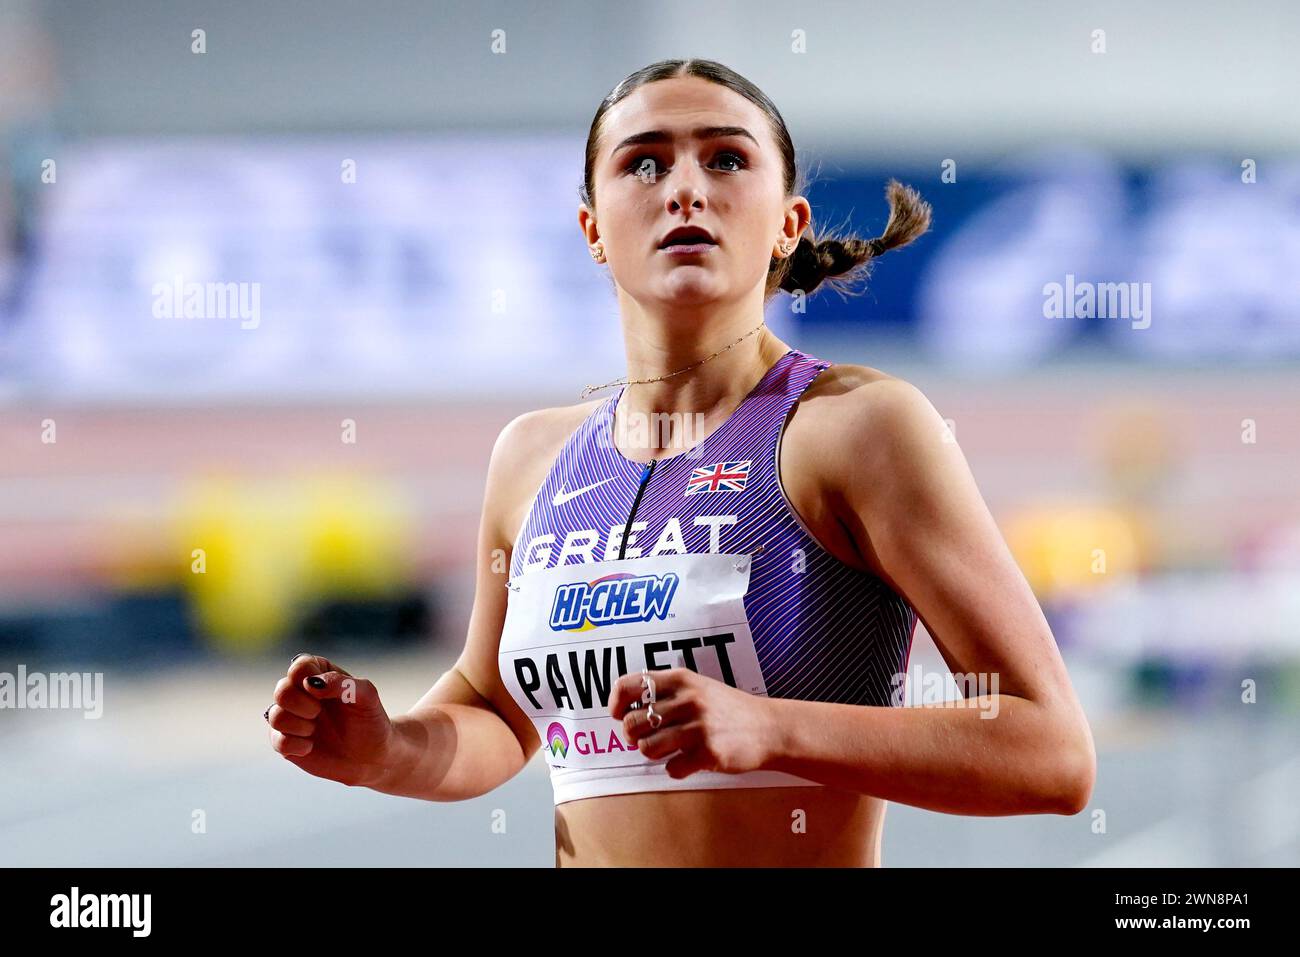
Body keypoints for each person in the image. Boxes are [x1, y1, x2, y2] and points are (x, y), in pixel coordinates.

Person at [266, 58, 1095, 867]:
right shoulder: (531, 457)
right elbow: (495, 715)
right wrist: (383, 748)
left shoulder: (853, 428)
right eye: (645, 162)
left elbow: (1050, 750)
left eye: (727, 158)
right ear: (593, 231)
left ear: (788, 224)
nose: (685, 188)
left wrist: (772, 727)